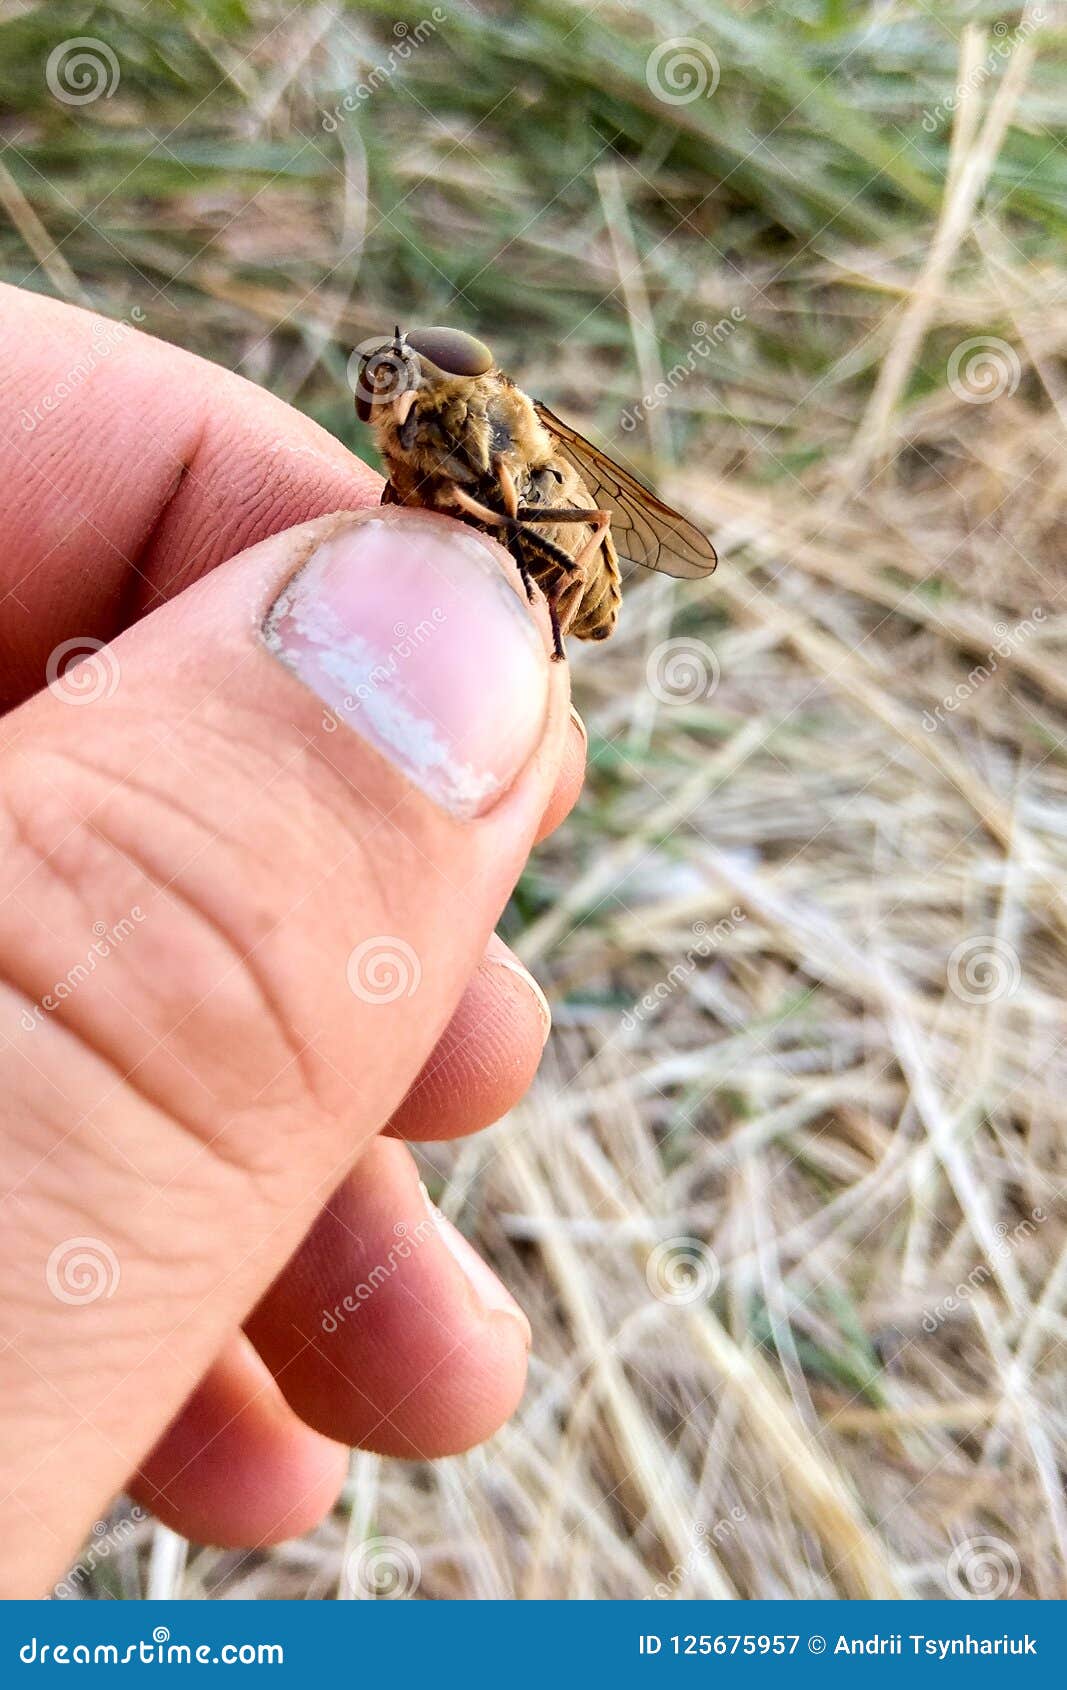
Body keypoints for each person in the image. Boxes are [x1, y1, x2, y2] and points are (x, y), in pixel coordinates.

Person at [0, 283, 586, 1596]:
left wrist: (412, 640)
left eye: (410, 379)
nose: (389, 386)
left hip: (545, 563)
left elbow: (513, 518)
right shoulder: (420, 439)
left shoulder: (476, 439)